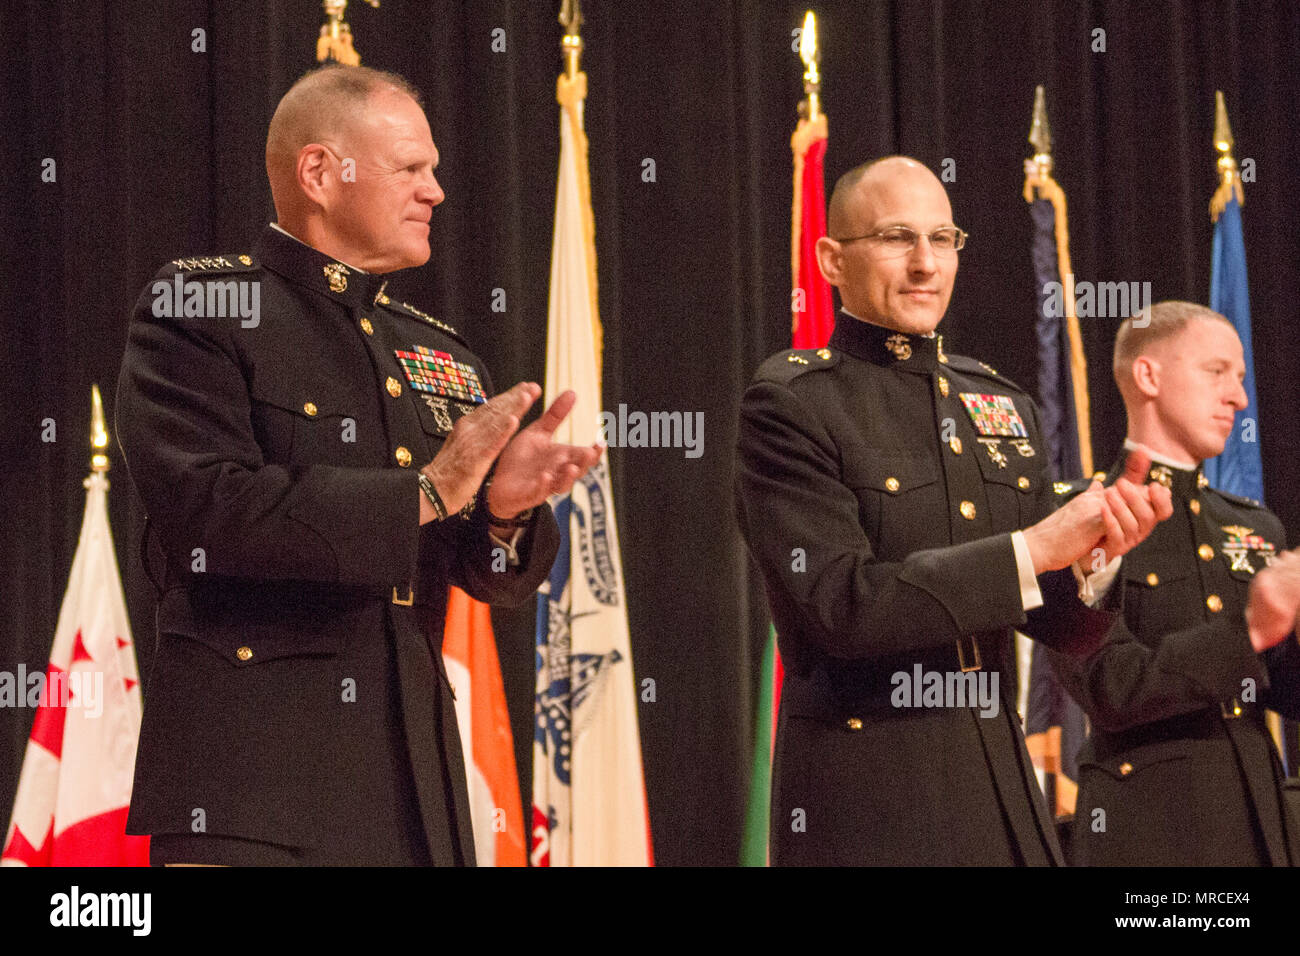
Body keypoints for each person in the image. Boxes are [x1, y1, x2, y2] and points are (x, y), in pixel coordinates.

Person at [115, 65, 601, 866]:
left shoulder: (437, 353)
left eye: (436, 170)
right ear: (319, 173)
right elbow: (211, 511)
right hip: (254, 794)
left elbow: (482, 575)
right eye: (410, 168)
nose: (436, 191)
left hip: (416, 793)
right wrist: (426, 492)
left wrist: (504, 511)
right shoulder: (201, 307)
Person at [733, 156, 1172, 865]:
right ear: (831, 259)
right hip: (871, 792)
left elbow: (1056, 622)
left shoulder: (996, 403)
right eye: (897, 237)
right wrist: (1031, 550)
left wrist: (1096, 555)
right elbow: (844, 607)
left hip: (998, 784)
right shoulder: (792, 404)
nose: (924, 263)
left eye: (943, 239)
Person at [1049, 301, 1300, 865]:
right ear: (1148, 376)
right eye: (1217, 372)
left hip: (1261, 830)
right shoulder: (1074, 518)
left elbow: (1282, 688)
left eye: (1240, 377)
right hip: (1152, 839)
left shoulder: (1253, 525)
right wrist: (1251, 630)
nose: (1239, 397)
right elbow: (1112, 690)